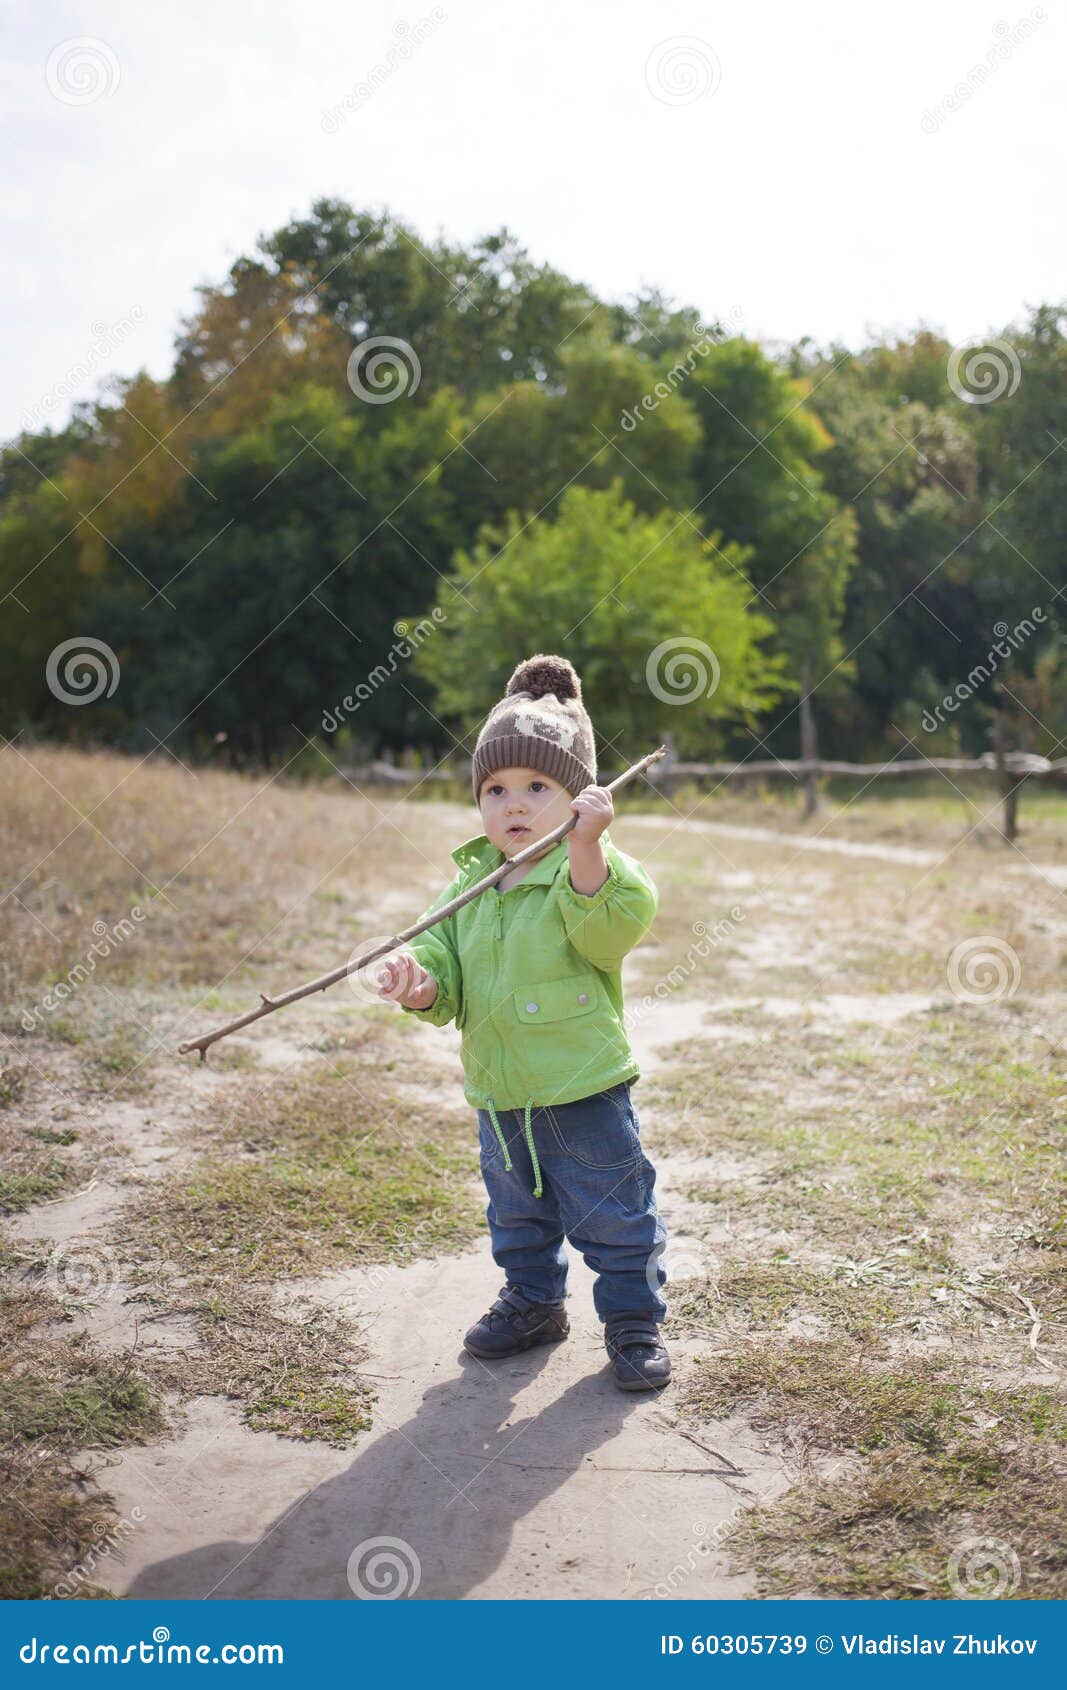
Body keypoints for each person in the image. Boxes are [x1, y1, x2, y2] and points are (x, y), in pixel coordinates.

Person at [377, 653, 669, 1390]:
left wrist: (586, 848)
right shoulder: (469, 883)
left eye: (538, 787)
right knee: (518, 1218)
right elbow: (437, 952)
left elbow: (611, 929)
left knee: (614, 1216)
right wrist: (420, 984)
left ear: (578, 796)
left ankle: (633, 1325)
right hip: (501, 1093)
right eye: (496, 789)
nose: (514, 803)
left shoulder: (586, 868)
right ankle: (533, 1302)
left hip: (584, 1091)